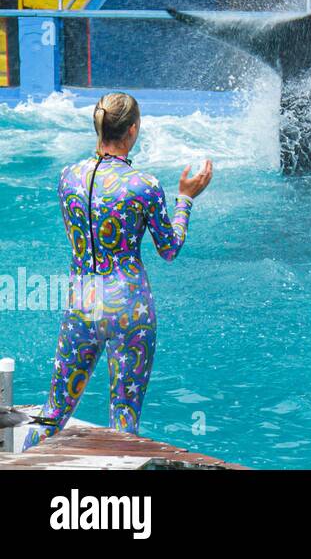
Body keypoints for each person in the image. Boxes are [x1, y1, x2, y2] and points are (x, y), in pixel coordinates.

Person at [20, 94, 212, 450]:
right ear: (133, 129)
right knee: (123, 423)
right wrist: (185, 199)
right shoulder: (145, 185)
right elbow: (169, 248)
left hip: (82, 304)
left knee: (52, 414)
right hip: (129, 309)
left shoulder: (68, 177)